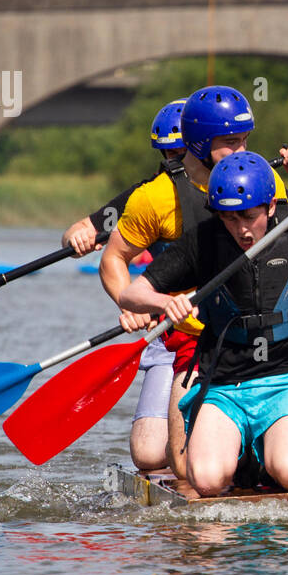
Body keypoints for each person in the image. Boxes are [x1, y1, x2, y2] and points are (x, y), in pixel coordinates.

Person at [104, 85, 288, 492]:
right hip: (188, 337)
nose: (241, 150)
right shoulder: (154, 197)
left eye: (245, 140)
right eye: (230, 142)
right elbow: (113, 260)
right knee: (161, 461)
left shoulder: (258, 177)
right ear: (199, 143)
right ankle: (237, 442)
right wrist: (142, 305)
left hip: (261, 341)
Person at [118, 150, 288, 496]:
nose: (242, 229)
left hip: (286, 382)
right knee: (207, 480)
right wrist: (165, 302)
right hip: (225, 385)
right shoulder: (203, 240)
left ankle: (274, 452)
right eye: (230, 219)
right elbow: (132, 294)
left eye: (249, 216)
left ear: (271, 207)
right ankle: (245, 453)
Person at [59, 100, 188, 471]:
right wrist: (78, 238)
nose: (173, 161)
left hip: (220, 327)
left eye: (180, 151)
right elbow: (77, 231)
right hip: (169, 331)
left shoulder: (237, 188)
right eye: (166, 153)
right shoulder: (144, 197)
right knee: (148, 455)